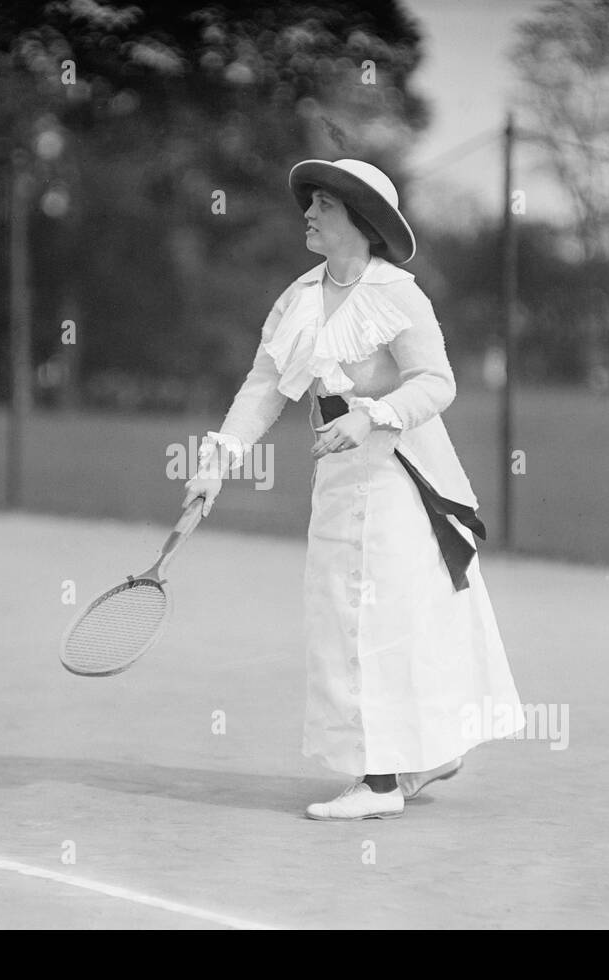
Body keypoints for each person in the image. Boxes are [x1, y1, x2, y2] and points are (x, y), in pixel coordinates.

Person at [184, 158, 525, 821]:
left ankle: (379, 784)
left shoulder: (399, 295)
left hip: (403, 481)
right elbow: (264, 385)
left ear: (359, 219)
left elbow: (437, 382)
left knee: (378, 620)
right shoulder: (298, 297)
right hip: (339, 481)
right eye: (308, 203)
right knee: (346, 616)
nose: (307, 214)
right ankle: (424, 754)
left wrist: (372, 413)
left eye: (323, 205)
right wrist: (219, 458)